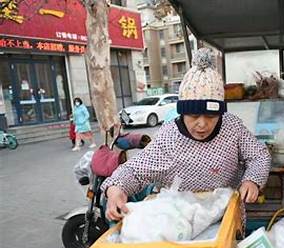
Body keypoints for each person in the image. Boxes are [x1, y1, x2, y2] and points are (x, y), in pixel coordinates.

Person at [101, 48, 272, 224]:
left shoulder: (232, 127)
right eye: (194, 116)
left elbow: (258, 155)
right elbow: (134, 171)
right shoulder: (169, 138)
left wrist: (252, 180)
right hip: (182, 222)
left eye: (211, 116)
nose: (202, 124)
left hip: (227, 218)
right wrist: (116, 189)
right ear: (182, 113)